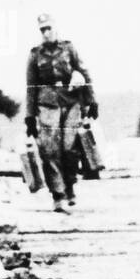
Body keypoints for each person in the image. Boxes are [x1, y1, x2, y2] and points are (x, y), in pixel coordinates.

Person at [24, 13, 97, 213]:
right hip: (47, 105)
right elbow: (31, 87)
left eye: (49, 28)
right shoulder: (35, 55)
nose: (46, 33)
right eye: (42, 30)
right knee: (49, 150)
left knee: (69, 147)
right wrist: (30, 116)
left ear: (55, 29)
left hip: (71, 102)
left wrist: (92, 100)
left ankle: (70, 186)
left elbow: (84, 72)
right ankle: (58, 195)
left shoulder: (69, 48)